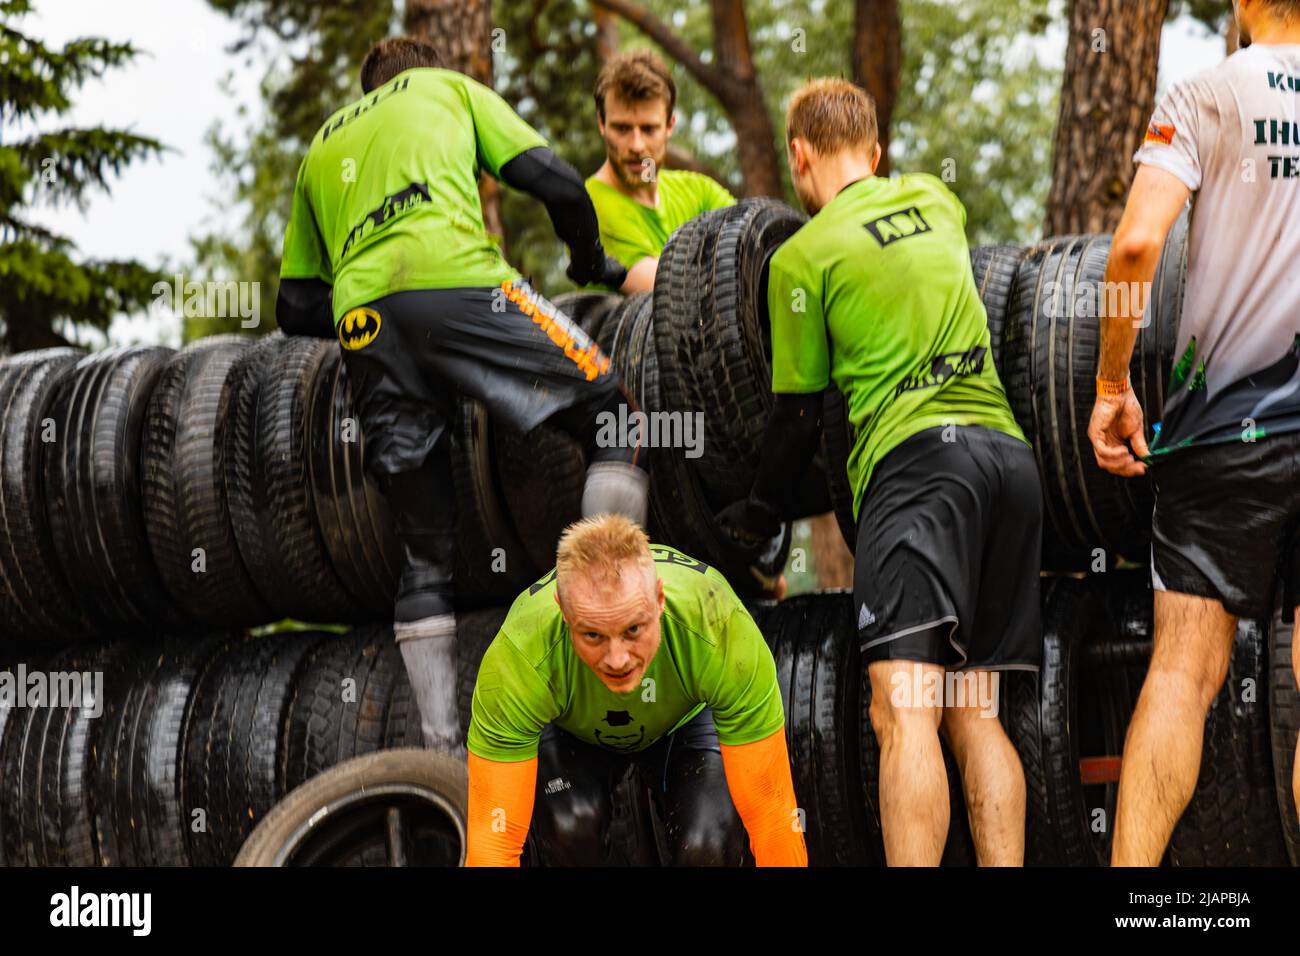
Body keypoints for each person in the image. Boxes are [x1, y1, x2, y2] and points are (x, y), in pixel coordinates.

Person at [275, 36, 647, 755]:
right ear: (423, 71)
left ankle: (443, 758)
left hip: (366, 322)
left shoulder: (325, 145)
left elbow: (293, 306)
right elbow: (563, 187)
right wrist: (590, 261)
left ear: (367, 87)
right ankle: (605, 652)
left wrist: (377, 312)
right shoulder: (448, 89)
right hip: (461, 281)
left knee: (425, 551)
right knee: (613, 413)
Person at [715, 78, 1042, 866]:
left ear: (798, 156)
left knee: (906, 710)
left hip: (920, 470)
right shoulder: (936, 200)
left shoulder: (801, 257)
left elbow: (797, 419)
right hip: (1007, 463)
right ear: (877, 150)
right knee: (976, 715)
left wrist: (756, 513)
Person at [1088, 0, 1300, 865]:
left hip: (1224, 429)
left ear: (1247, 4)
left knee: (1181, 673)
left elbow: (1136, 245)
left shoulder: (1206, 92)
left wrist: (1111, 383)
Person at [464, 514, 807, 867]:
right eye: (593, 635)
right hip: (572, 731)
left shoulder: (717, 623)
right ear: (564, 613)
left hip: (682, 720)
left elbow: (773, 819)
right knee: (569, 830)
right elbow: (494, 844)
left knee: (707, 845)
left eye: (633, 629)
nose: (617, 659)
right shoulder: (520, 653)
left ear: (659, 600)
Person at [585, 50, 735, 292]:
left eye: (648, 129)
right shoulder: (590, 207)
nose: (636, 145)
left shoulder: (699, 190)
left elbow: (750, 246)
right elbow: (673, 296)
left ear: (669, 126)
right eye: (622, 129)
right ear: (602, 124)